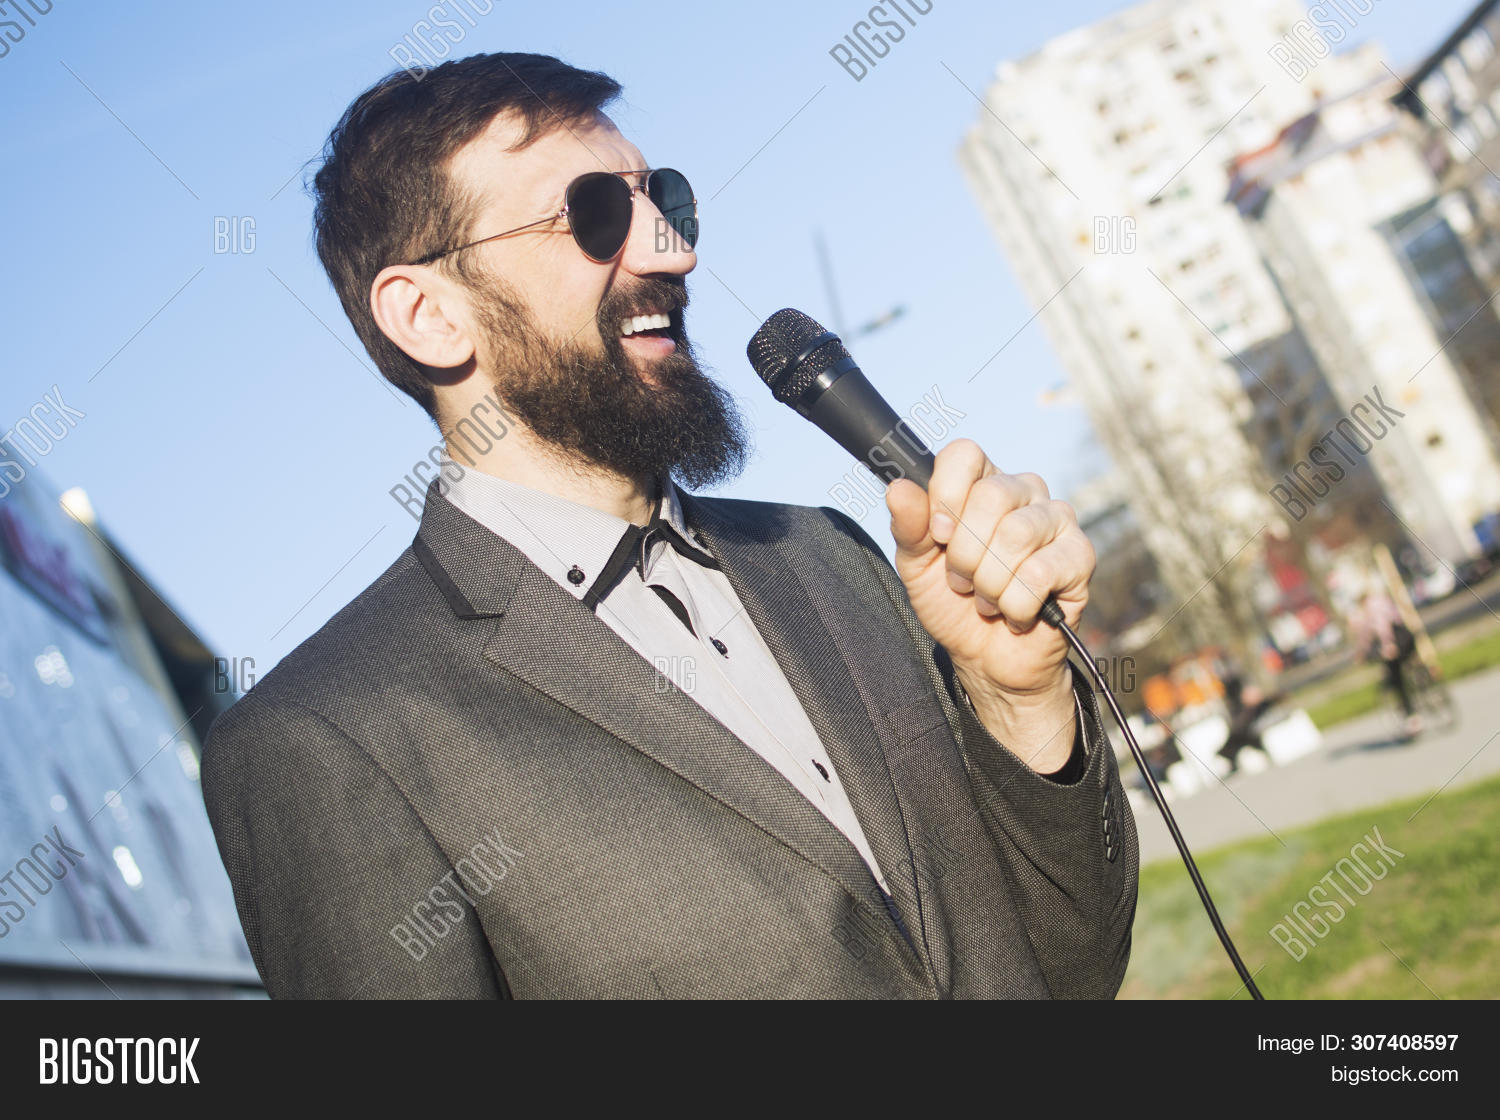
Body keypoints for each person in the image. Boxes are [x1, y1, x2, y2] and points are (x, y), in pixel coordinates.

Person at [200, 52, 1137, 999]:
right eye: (594, 214)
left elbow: (1066, 971)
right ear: (429, 316)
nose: (670, 252)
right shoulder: (323, 739)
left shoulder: (829, 555)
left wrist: (1020, 703)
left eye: (668, 202)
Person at [1350, 586, 1421, 737]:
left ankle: (1412, 717)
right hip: (1406, 636)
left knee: (1396, 677)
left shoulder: (1371, 609)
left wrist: (1387, 645)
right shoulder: (1384, 600)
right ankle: (1424, 678)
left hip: (1396, 640)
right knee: (1409, 662)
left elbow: (1377, 630)